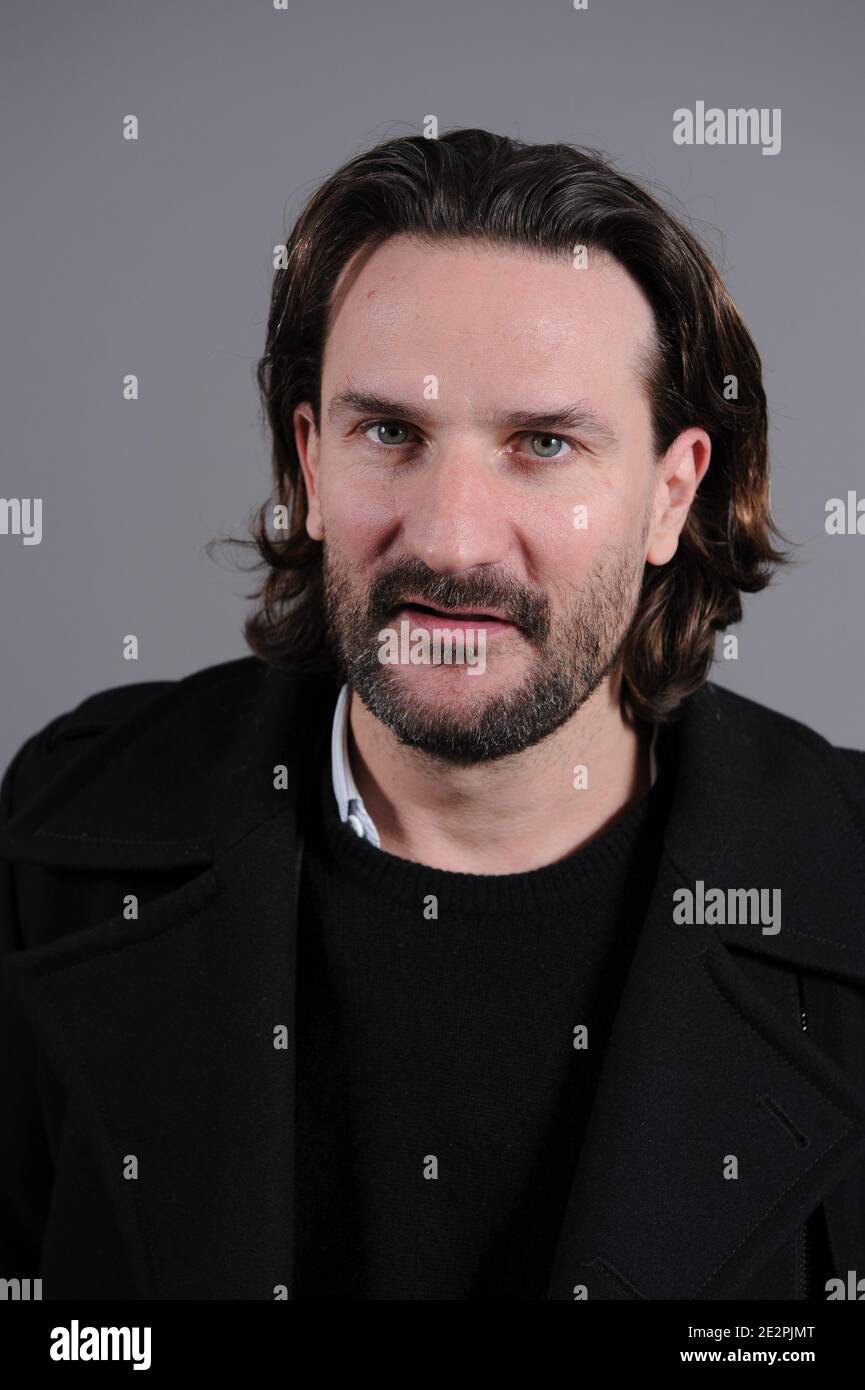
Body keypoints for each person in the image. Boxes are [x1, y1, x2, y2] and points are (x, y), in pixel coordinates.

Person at [1, 128, 863, 1302]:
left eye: (544, 444)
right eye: (390, 434)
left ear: (671, 493)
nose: (450, 539)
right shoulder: (59, 842)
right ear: (310, 464)